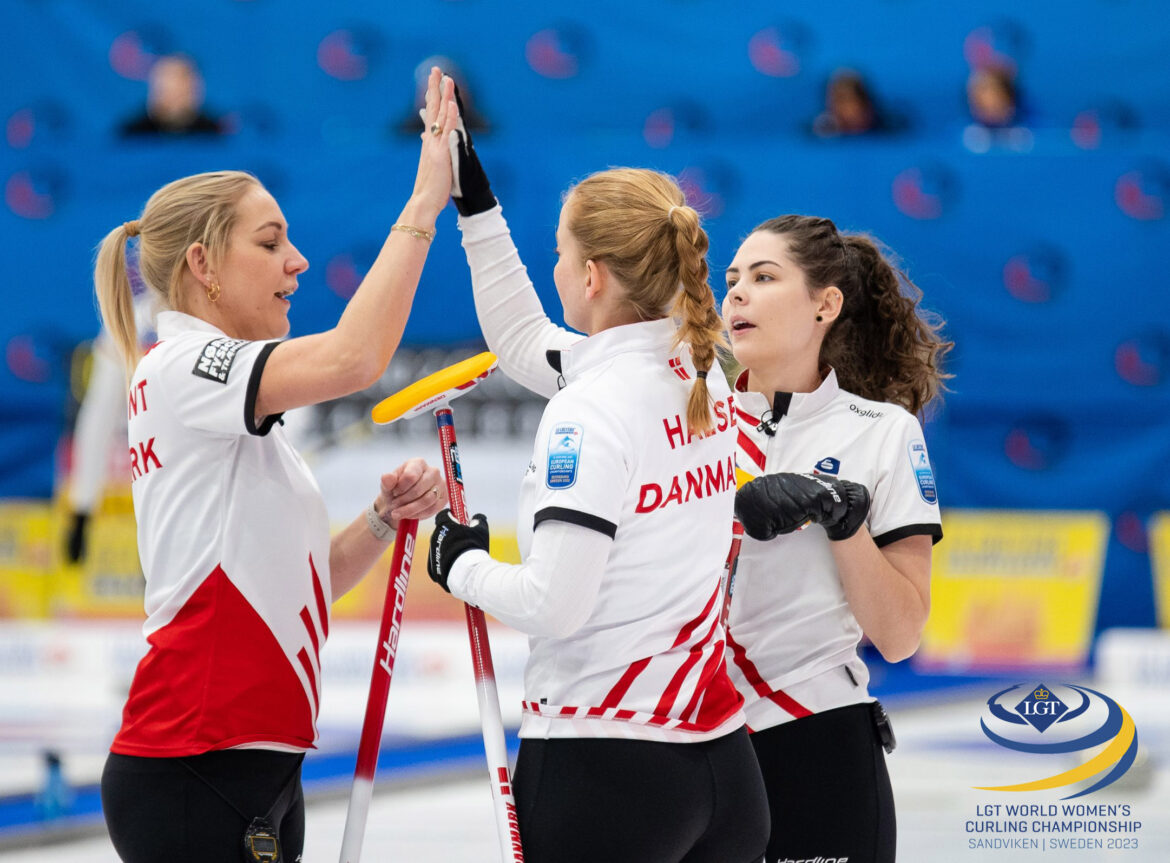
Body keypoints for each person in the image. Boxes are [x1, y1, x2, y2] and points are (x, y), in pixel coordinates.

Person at [97, 68, 457, 863]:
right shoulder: (184, 367)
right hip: (196, 762)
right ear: (203, 264)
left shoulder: (230, 407)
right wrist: (424, 203)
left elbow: (302, 583)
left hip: (255, 765)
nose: (297, 262)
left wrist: (378, 522)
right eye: (269, 243)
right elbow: (356, 356)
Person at [423, 94, 769, 863]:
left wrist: (461, 565)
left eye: (556, 253)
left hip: (607, 766)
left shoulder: (589, 410)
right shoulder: (696, 367)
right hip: (723, 771)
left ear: (591, 276)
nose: (551, 268)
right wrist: (472, 197)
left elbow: (555, 603)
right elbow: (521, 340)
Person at [721, 215, 951, 863]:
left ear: (826, 304)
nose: (736, 293)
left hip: (816, 743)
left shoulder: (882, 432)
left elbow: (901, 635)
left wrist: (842, 522)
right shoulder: (687, 420)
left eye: (764, 277)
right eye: (732, 279)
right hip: (692, 741)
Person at [119, 54, 222, 137]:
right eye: (168, 79)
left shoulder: (213, 133)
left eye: (183, 78)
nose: (176, 87)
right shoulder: (132, 134)